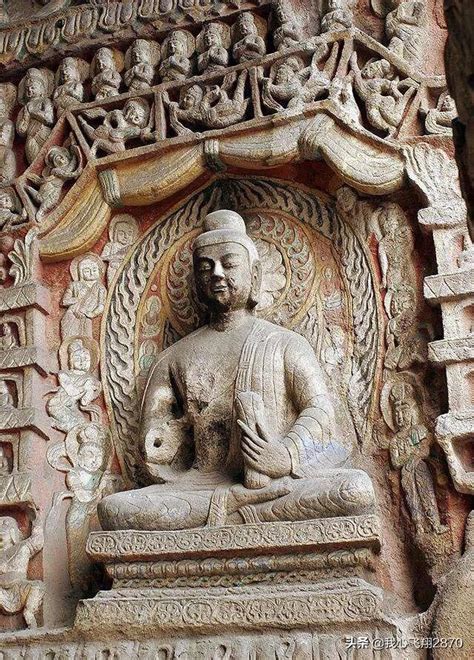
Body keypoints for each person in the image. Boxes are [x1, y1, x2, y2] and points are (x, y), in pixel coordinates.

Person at [99, 210, 374, 531]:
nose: (217, 274)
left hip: (276, 484)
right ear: (196, 281)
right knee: (116, 510)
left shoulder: (285, 344)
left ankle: (234, 510)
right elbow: (156, 440)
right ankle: (233, 507)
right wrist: (164, 441)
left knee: (353, 490)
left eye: (229, 264)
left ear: (254, 275)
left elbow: (321, 411)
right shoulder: (174, 357)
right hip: (200, 487)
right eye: (206, 268)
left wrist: (286, 455)